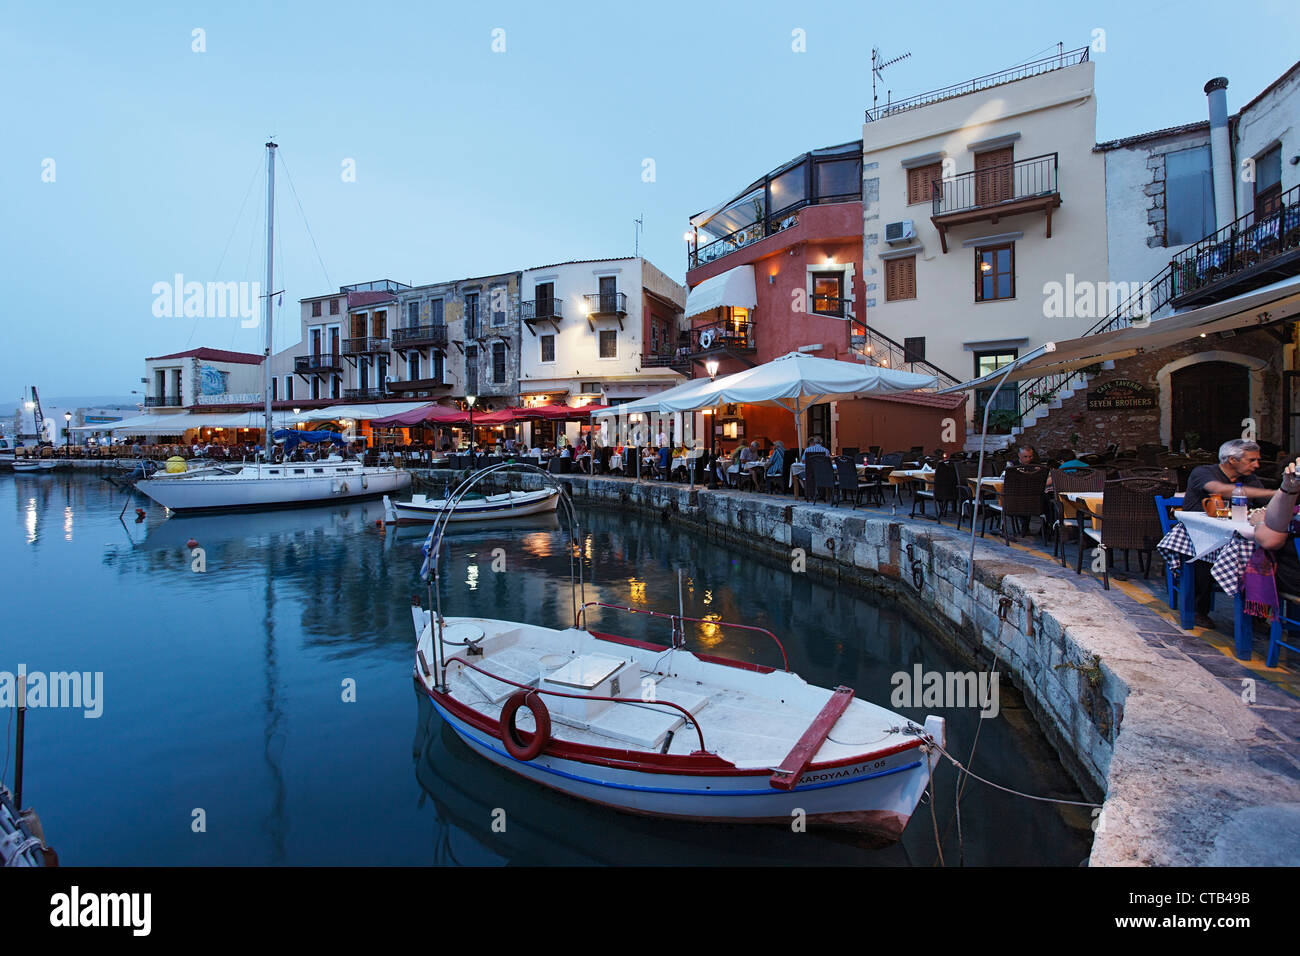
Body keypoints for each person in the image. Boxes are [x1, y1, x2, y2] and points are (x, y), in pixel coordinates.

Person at [1185, 439, 1272, 627]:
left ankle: (1256, 614)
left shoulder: (1249, 478)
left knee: (1264, 557)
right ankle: (1198, 610)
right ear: (1232, 460)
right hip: (1197, 535)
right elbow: (1219, 489)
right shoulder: (1203, 472)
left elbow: (1264, 503)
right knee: (1203, 556)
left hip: (1236, 538)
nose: (1256, 465)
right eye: (1251, 460)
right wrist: (1277, 492)